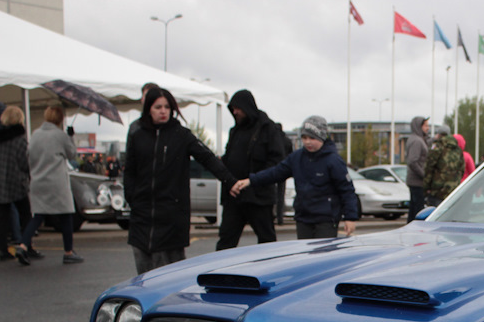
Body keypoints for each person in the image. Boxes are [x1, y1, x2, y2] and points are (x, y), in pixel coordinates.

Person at [123, 87, 238, 275]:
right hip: (142, 217)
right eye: (158, 107)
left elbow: (207, 158)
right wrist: (132, 197)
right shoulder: (138, 135)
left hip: (171, 217)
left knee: (169, 277)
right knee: (143, 277)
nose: (163, 111)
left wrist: (229, 181)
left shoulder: (181, 135)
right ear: (148, 109)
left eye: (167, 107)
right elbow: (130, 170)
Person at [231, 115, 358, 240]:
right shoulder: (296, 158)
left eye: (312, 138)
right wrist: (251, 180)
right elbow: (275, 173)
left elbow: (346, 190)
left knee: (321, 257)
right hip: (303, 218)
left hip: (326, 219)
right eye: (304, 137)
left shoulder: (333, 160)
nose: (308, 142)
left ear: (322, 137)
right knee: (304, 256)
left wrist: (350, 218)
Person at [215, 90, 286, 250]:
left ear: (247, 107)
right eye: (232, 109)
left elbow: (277, 160)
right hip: (234, 194)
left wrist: (255, 180)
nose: (235, 112)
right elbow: (230, 158)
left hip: (259, 196)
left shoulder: (267, 128)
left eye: (238, 108)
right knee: (226, 241)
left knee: (266, 241)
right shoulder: (235, 131)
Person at [16, 106, 82, 265]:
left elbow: (29, 157)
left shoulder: (35, 134)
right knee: (66, 216)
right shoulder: (60, 136)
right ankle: (68, 252)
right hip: (56, 183)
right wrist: (70, 136)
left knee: (38, 216)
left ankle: (23, 245)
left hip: (38, 182)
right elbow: (72, 154)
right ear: (60, 119)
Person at [0, 106, 37, 265]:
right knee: (26, 215)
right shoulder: (20, 138)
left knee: (2, 218)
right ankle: (26, 245)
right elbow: (24, 162)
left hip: (0, 181)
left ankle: (3, 250)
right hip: (17, 182)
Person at [423, 124, 464, 206]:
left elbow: (429, 167)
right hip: (453, 189)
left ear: (438, 134)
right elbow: (462, 169)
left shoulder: (437, 146)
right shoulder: (457, 149)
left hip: (438, 190)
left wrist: (425, 187)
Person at [405, 116, 429, 222]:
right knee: (418, 210)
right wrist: (424, 174)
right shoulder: (417, 141)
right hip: (417, 182)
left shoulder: (417, 139)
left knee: (414, 209)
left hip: (415, 181)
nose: (427, 128)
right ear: (419, 126)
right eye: (425, 126)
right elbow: (412, 161)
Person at [274, 123, 293, 225]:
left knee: (272, 194)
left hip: (273, 168)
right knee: (281, 195)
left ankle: (272, 215)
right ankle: (279, 217)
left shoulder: (273, 140)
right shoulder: (287, 141)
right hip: (283, 170)